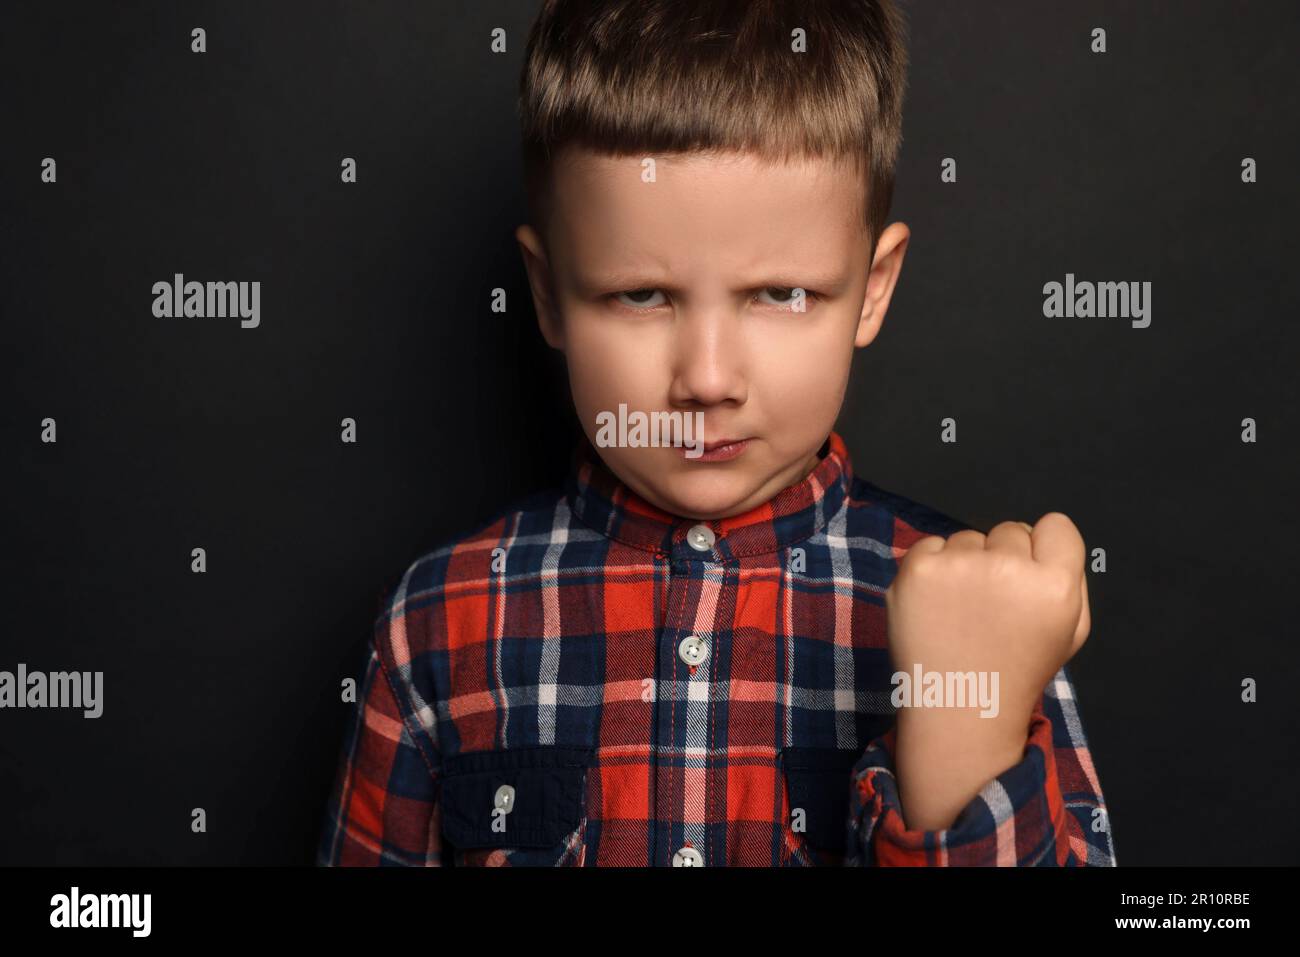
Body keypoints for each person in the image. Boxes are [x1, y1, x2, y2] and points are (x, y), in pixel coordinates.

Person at [317, 0, 1115, 866]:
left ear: (874, 287)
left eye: (781, 293)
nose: (706, 378)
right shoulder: (436, 625)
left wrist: (968, 721)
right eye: (641, 294)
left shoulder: (990, 624)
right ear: (546, 294)